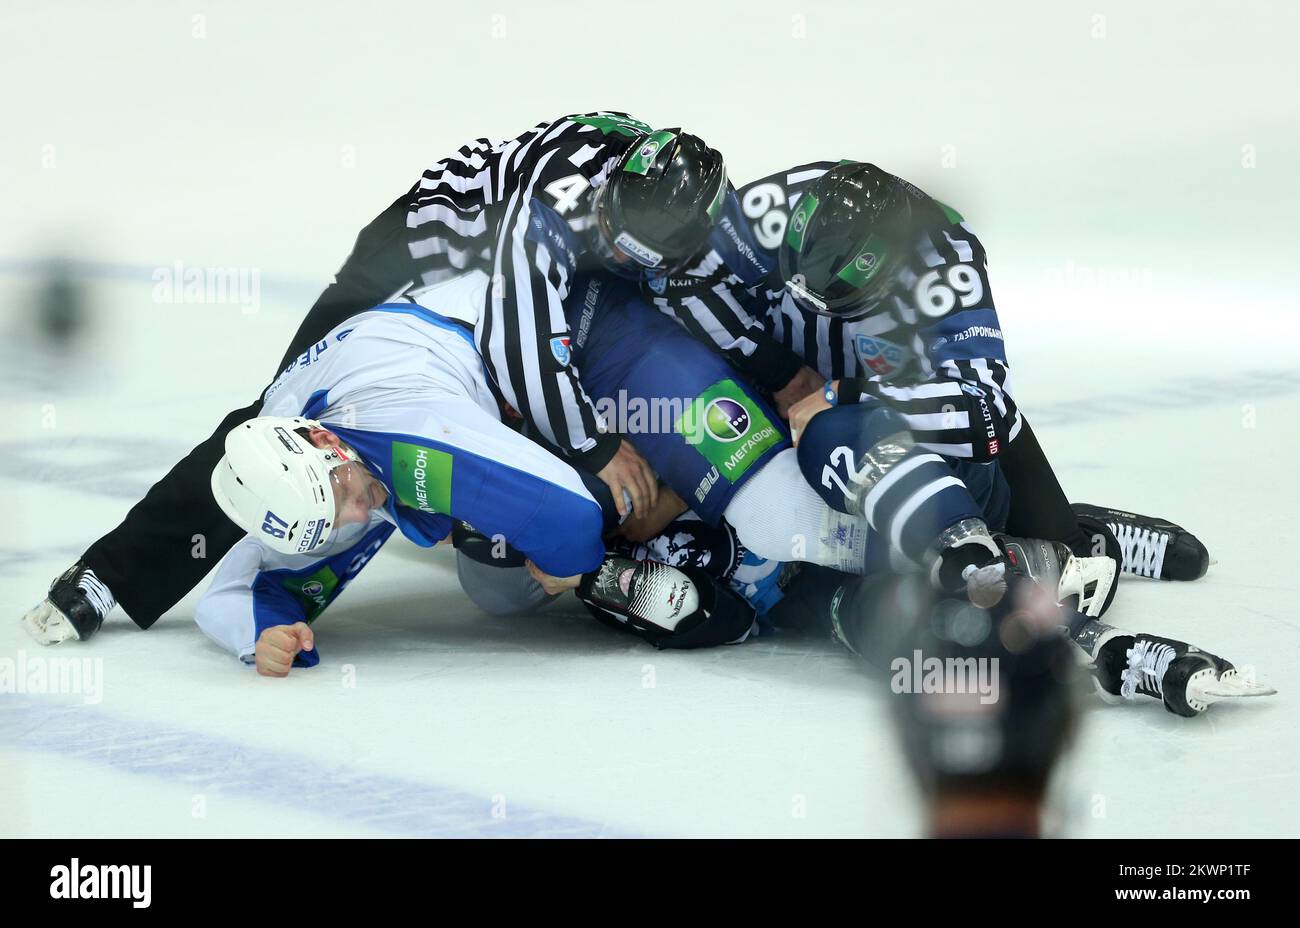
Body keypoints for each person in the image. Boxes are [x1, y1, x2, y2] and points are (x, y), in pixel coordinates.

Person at [21, 111, 738, 641]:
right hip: (419, 261)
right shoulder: (559, 197)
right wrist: (596, 450)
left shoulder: (664, 203)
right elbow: (523, 333)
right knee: (272, 424)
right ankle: (107, 576)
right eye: (616, 229)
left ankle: (635, 517)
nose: (619, 243)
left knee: (585, 367)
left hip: (479, 311)